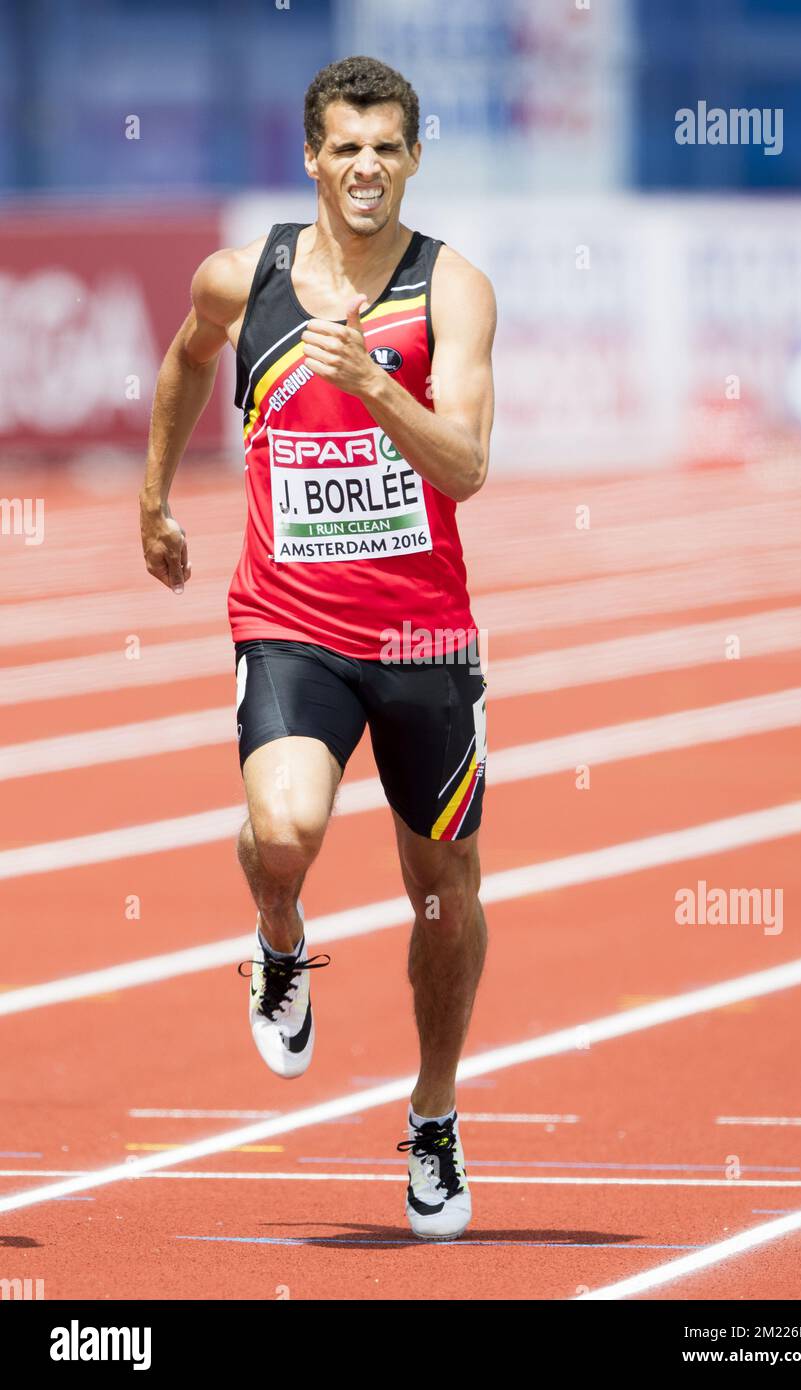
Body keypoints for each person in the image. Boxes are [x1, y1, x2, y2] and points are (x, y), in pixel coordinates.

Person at [139, 55, 496, 1240]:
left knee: (442, 895)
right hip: (290, 619)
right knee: (283, 832)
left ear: (414, 156)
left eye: (388, 146)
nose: (366, 167)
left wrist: (378, 390)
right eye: (346, 145)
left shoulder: (452, 289)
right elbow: (190, 359)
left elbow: (468, 465)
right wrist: (153, 500)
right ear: (311, 156)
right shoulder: (247, 279)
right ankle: (280, 938)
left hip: (424, 635)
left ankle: (434, 1114)